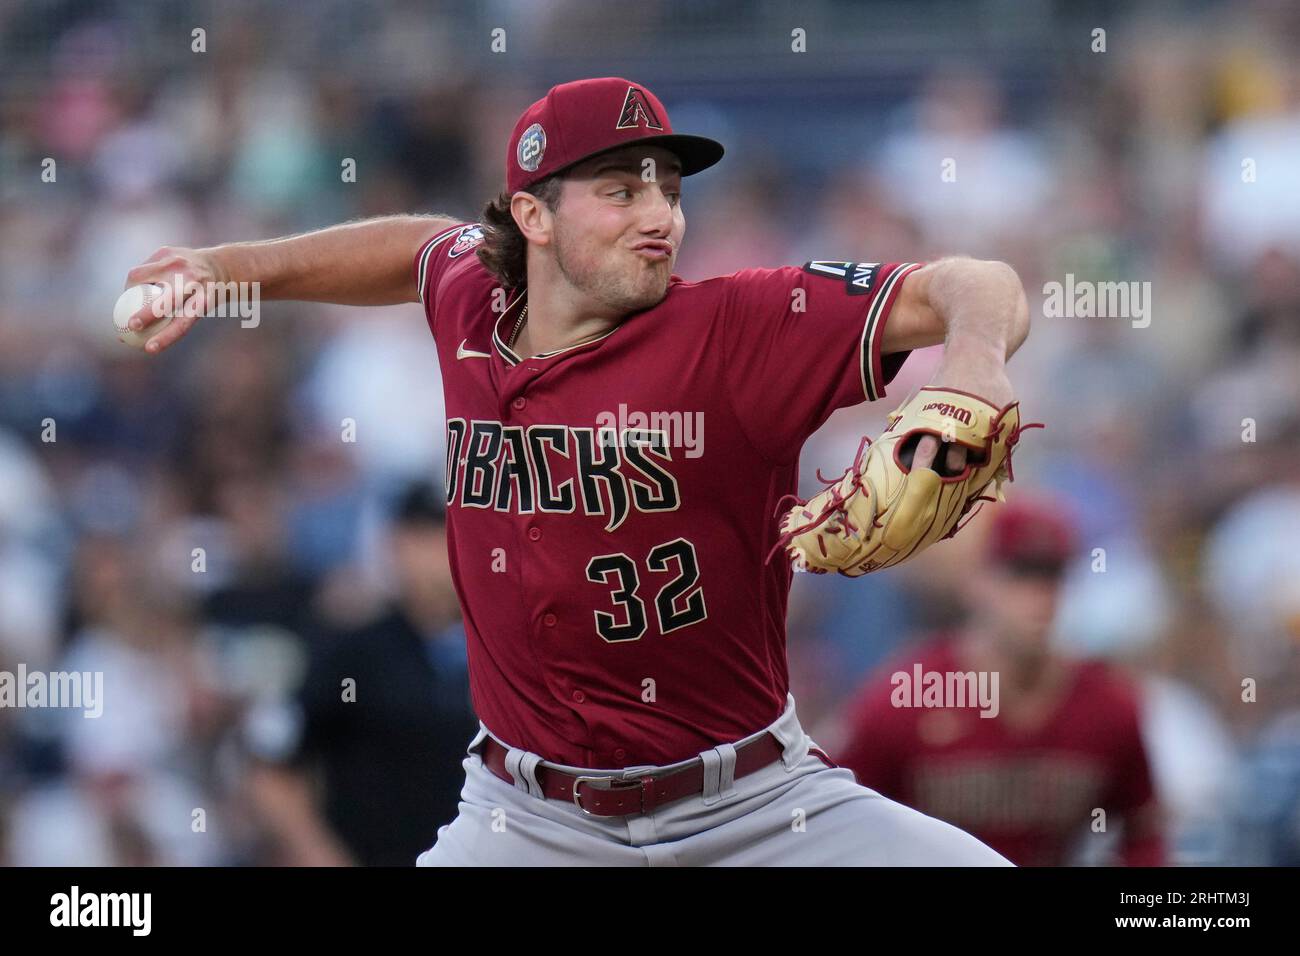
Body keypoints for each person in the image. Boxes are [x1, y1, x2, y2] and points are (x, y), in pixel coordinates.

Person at [124, 77, 1030, 866]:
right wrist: (223, 267)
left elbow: (978, 283)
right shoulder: (475, 304)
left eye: (668, 190)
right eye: (619, 190)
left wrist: (973, 369)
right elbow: (415, 249)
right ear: (533, 216)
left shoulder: (742, 326)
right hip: (526, 821)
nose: (660, 216)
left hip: (753, 808)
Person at [838, 498, 1166, 866]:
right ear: (976, 581)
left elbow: (1144, 834)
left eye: (1051, 576)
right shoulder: (908, 696)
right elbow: (839, 820)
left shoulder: (1108, 706)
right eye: (1018, 575)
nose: (1037, 596)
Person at [244, 482, 476, 866]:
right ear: (394, 546)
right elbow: (271, 764)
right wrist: (318, 853)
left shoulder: (499, 655)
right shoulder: (355, 653)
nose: (442, 552)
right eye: (426, 537)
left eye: (452, 534)